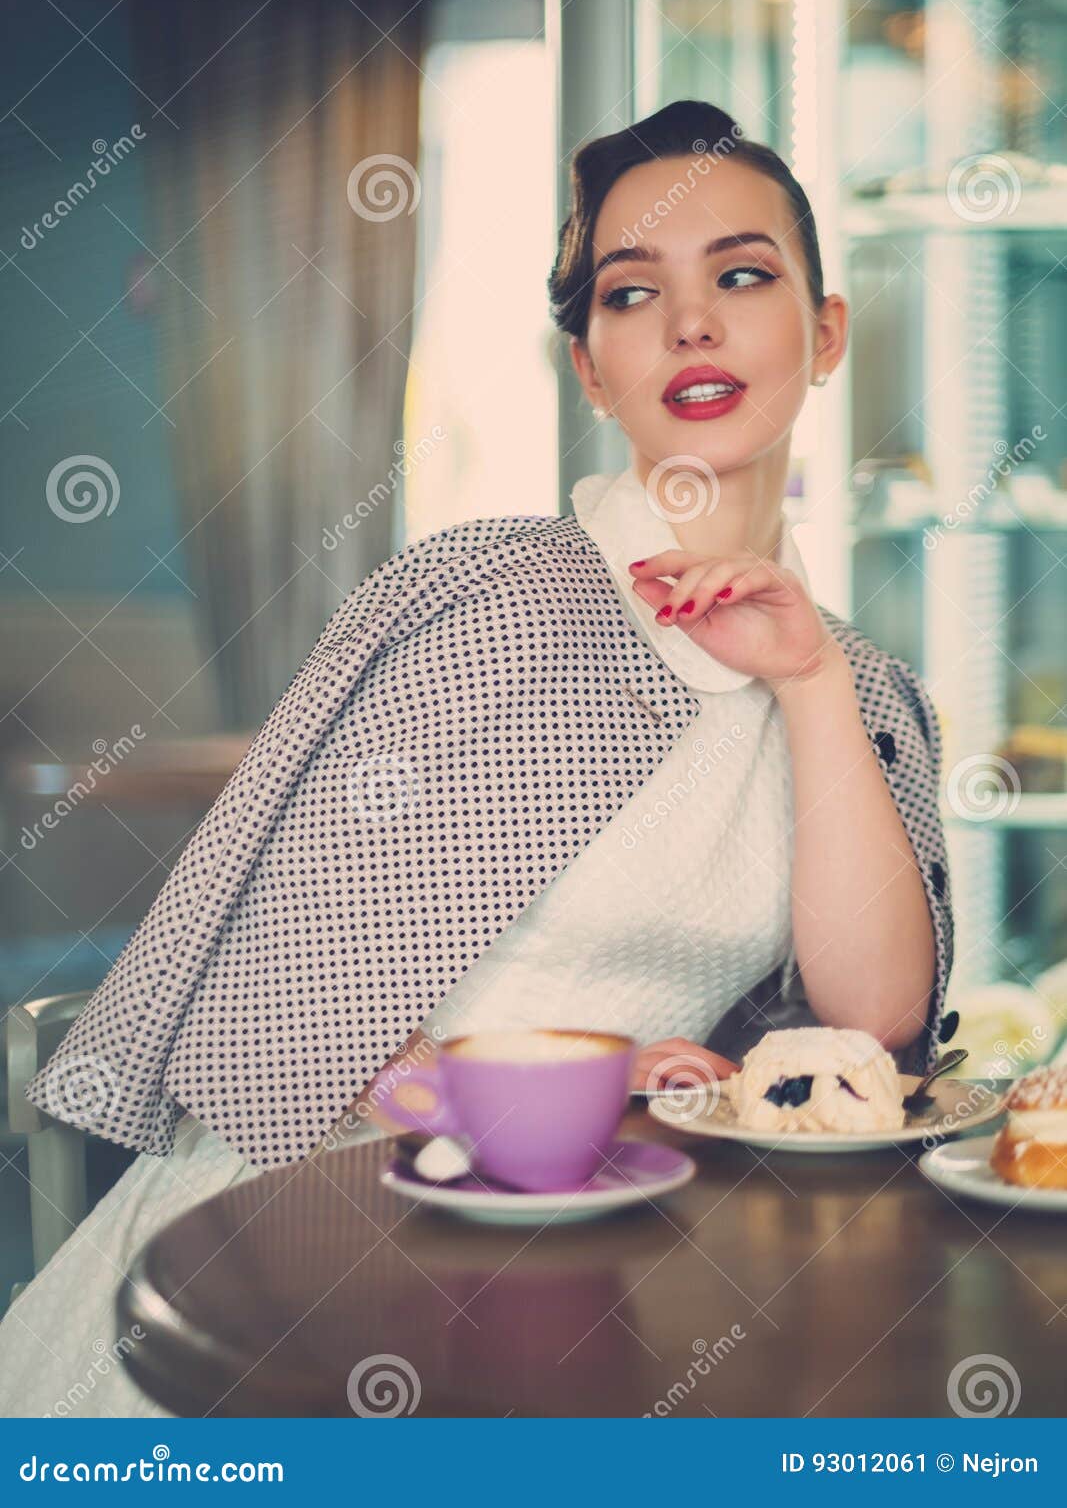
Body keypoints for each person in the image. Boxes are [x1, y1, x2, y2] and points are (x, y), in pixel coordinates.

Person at [0, 99, 953, 1417]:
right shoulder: (476, 600)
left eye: (743, 275)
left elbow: (871, 1028)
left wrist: (805, 681)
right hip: (323, 1231)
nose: (692, 323)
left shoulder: (866, 689)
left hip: (626, 1264)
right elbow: (300, 1004)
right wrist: (557, 1090)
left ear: (826, 330)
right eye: (632, 294)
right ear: (592, 368)